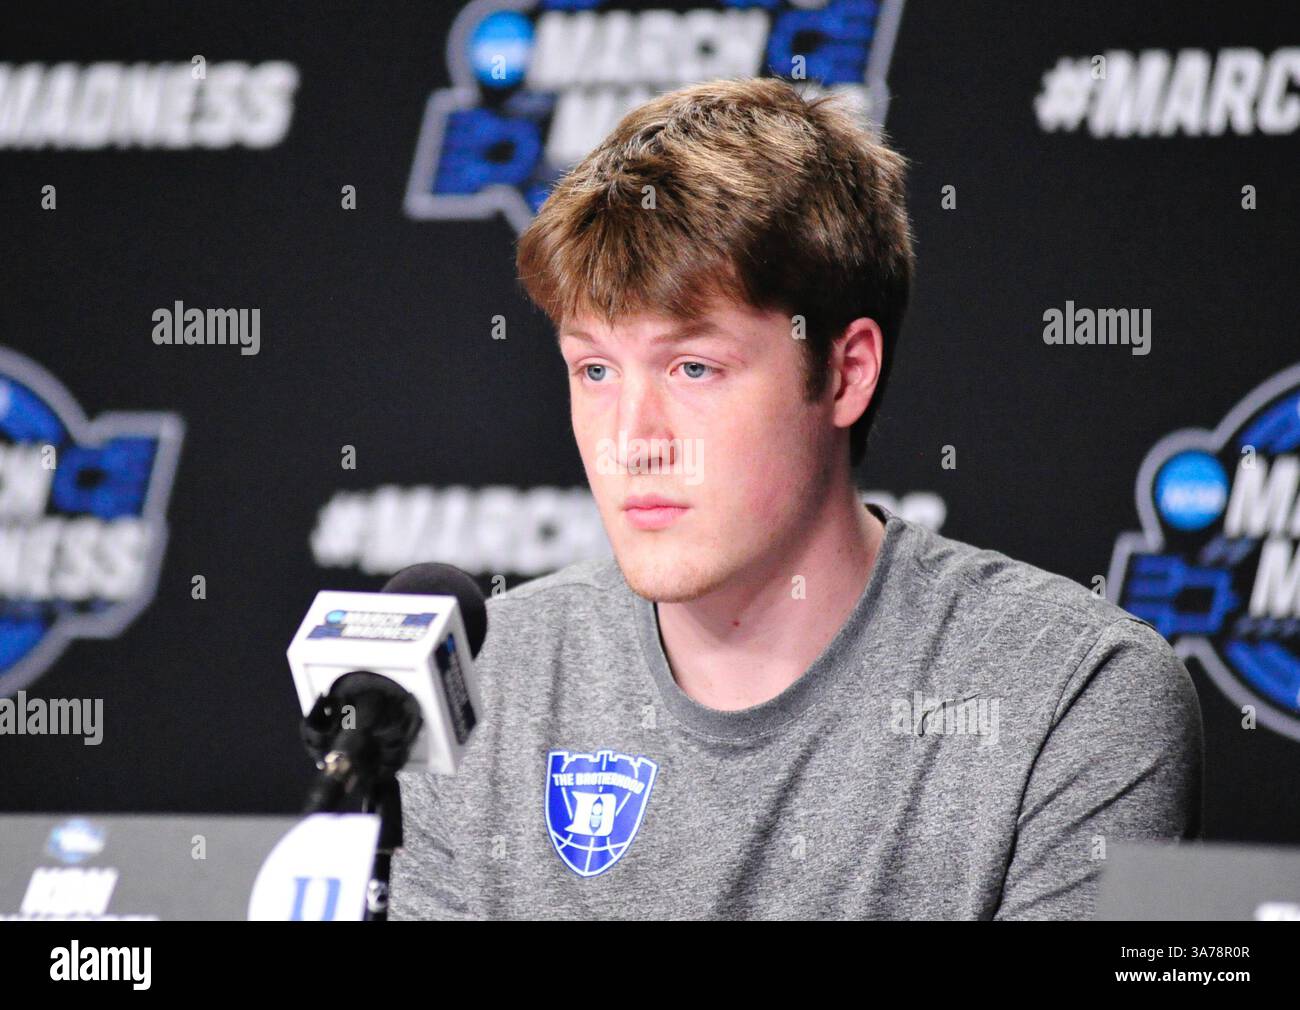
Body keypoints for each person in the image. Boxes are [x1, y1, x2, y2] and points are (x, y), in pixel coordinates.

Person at [389, 76, 1202, 920]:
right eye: (594, 369)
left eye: (692, 367)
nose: (631, 438)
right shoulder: (477, 683)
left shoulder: (1071, 692)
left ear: (846, 372)